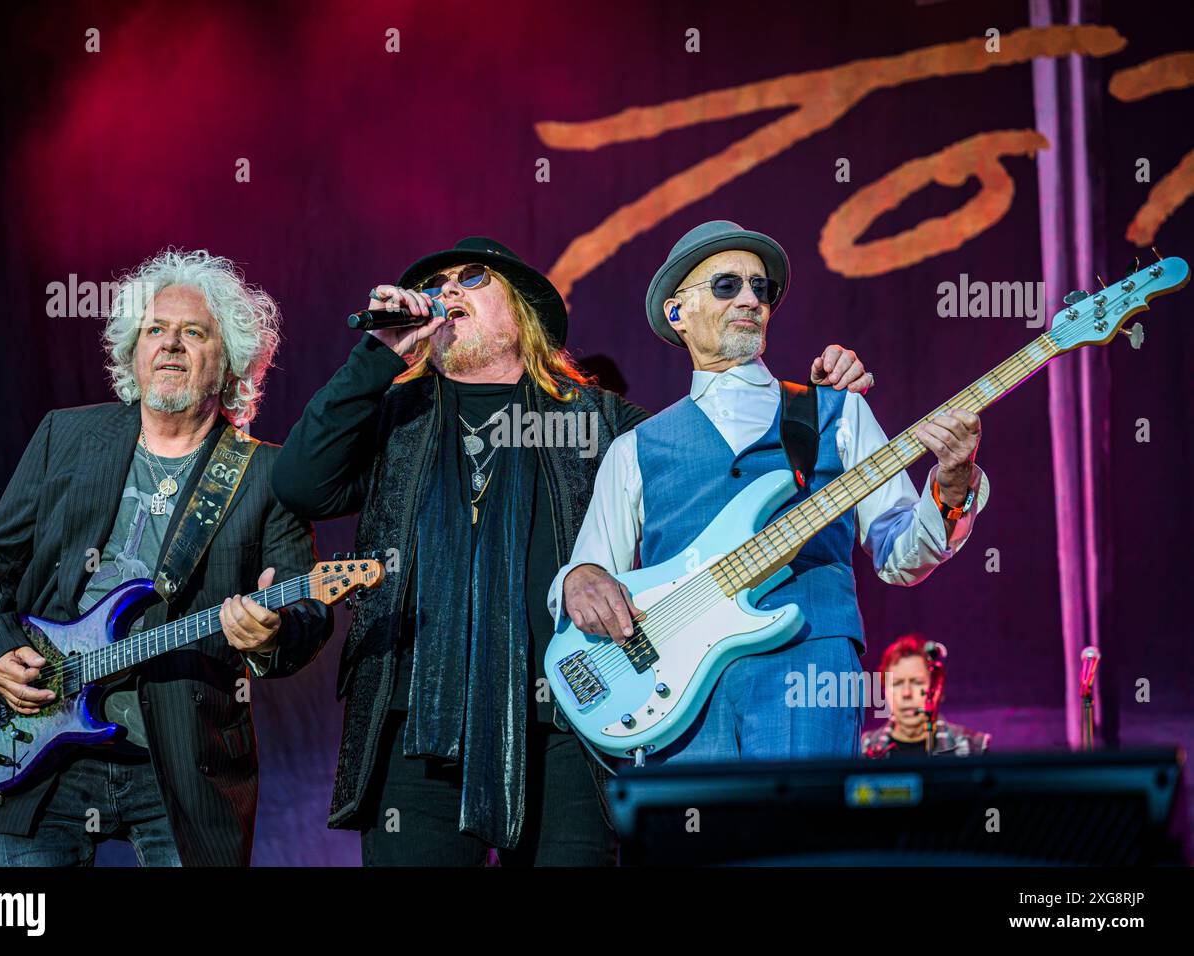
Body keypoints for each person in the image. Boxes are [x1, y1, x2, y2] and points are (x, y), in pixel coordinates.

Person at [273, 236, 875, 864]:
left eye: (472, 277)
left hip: (569, 727)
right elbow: (301, 482)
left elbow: (711, 473)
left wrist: (805, 409)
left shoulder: (600, 421)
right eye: (438, 280)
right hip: (419, 722)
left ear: (523, 311)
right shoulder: (396, 417)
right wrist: (377, 355)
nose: (447, 288)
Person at [552, 220, 988, 764]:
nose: (751, 299)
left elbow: (902, 557)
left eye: (762, 288)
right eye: (726, 285)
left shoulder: (837, 410)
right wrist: (577, 579)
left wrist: (951, 484)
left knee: (798, 847)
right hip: (674, 693)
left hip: (809, 666)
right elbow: (588, 579)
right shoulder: (634, 449)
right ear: (676, 312)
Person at [0, 249, 332, 866]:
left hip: (182, 759)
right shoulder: (65, 437)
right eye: (155, 330)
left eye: (193, 332)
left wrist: (269, 634)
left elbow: (306, 611)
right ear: (133, 351)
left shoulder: (264, 474)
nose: (171, 344)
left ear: (230, 361)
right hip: (42, 745)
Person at [861, 634, 991, 757]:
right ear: (885, 690)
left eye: (917, 682)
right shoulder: (864, 747)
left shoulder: (973, 747)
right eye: (897, 683)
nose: (907, 693)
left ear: (938, 689)